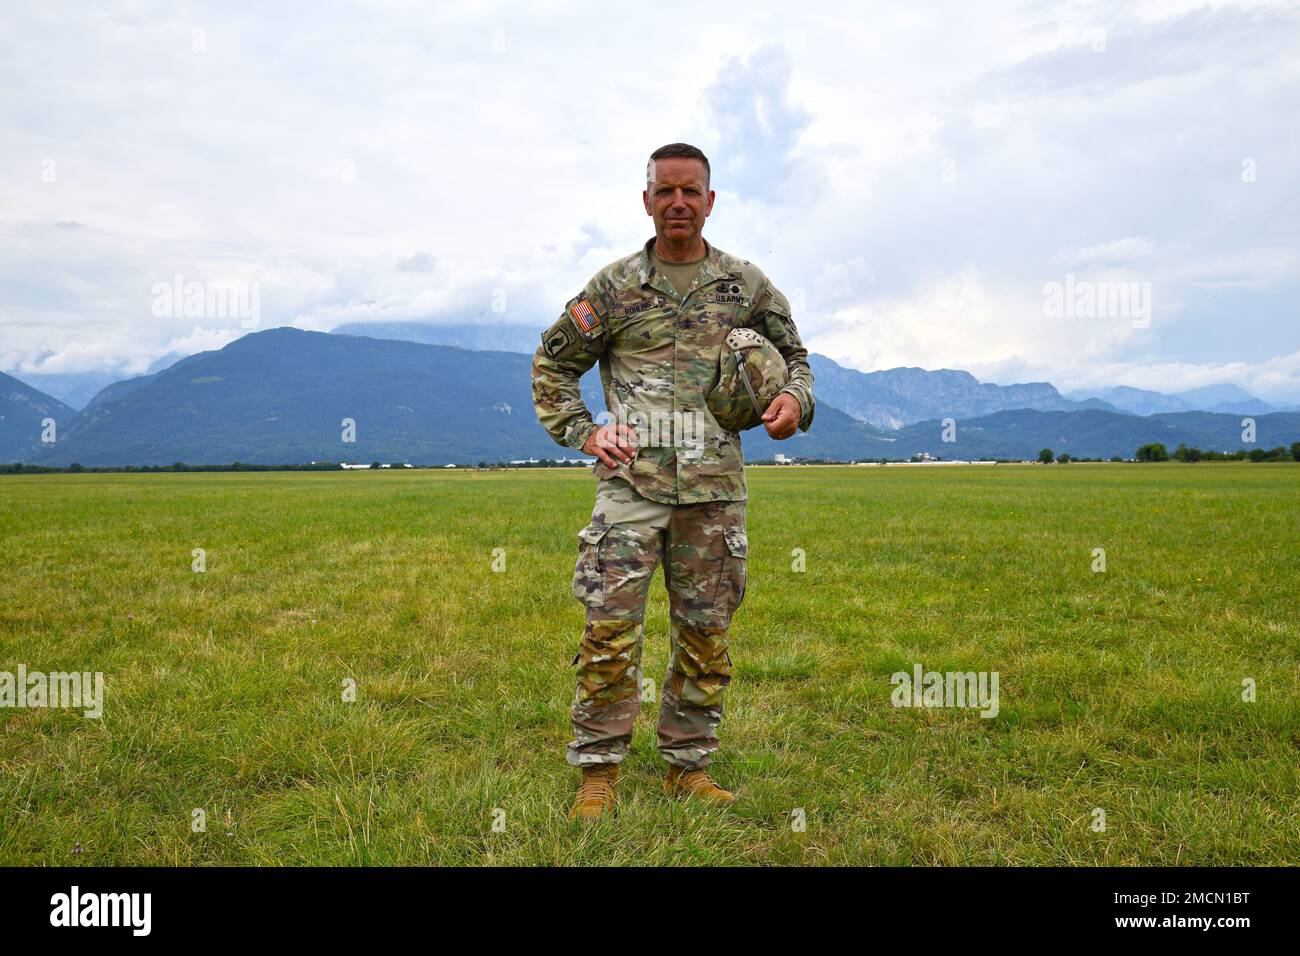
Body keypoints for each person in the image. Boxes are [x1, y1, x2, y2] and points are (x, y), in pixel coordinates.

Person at [531, 142, 815, 820]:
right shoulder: (614, 287)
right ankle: (598, 771)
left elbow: (798, 360)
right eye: (666, 191)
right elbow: (551, 363)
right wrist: (585, 431)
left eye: (691, 191)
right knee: (609, 632)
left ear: (710, 200)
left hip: (715, 492)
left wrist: (795, 403)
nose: (679, 202)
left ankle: (688, 766)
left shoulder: (744, 286)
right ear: (647, 199)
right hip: (631, 489)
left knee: (704, 634)